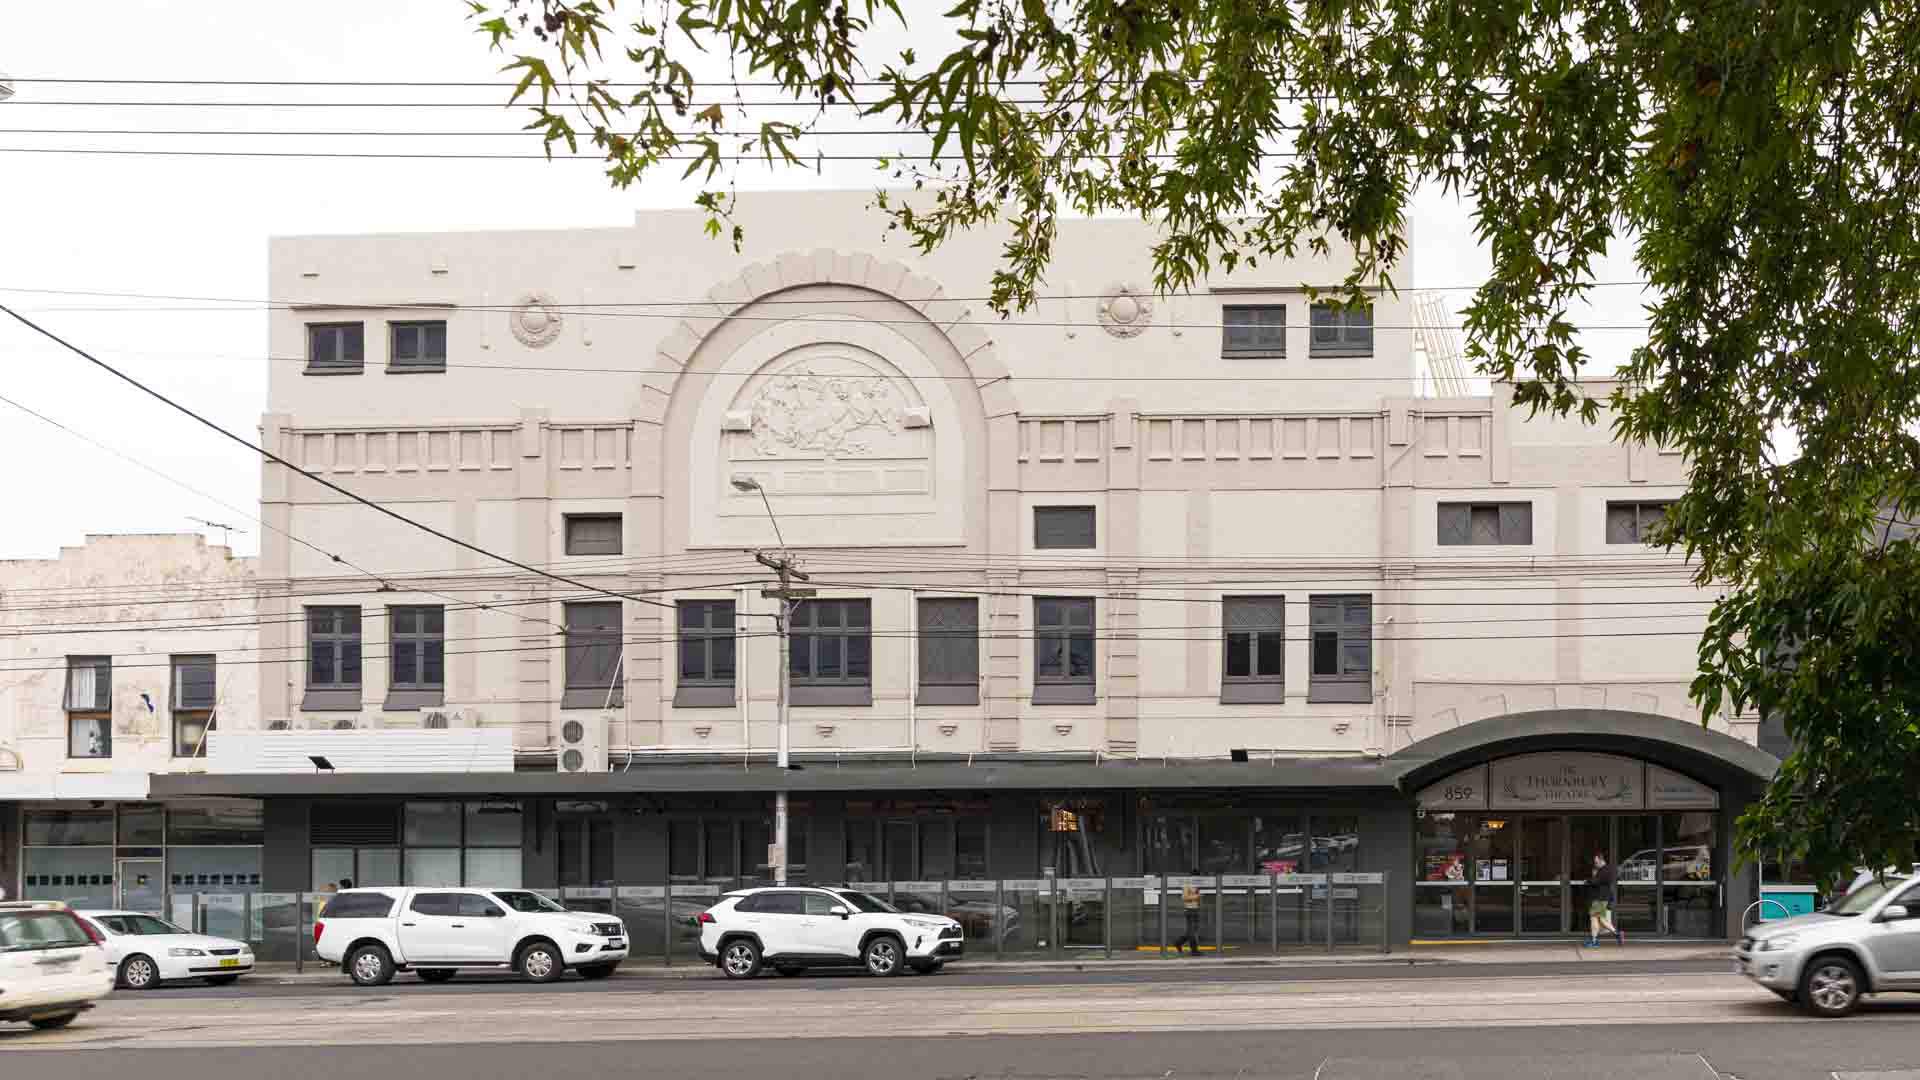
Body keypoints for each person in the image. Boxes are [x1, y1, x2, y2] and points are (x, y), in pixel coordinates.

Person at [1587, 852, 1622, 947]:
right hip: (1603, 897)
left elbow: (1596, 882)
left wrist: (1589, 880)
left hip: (1599, 898)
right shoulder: (1607, 869)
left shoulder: (1604, 870)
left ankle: (1594, 941)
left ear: (1601, 859)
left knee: (1594, 918)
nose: (1595, 863)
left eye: (1596, 861)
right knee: (1601, 919)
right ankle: (1617, 934)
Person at [1173, 870, 1204, 955]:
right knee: (1192, 932)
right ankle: (1194, 950)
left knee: (1191, 931)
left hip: (1195, 909)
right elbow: (1184, 897)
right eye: (1197, 877)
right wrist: (1197, 896)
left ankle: (1178, 943)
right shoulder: (1187, 885)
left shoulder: (1195, 885)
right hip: (1189, 910)